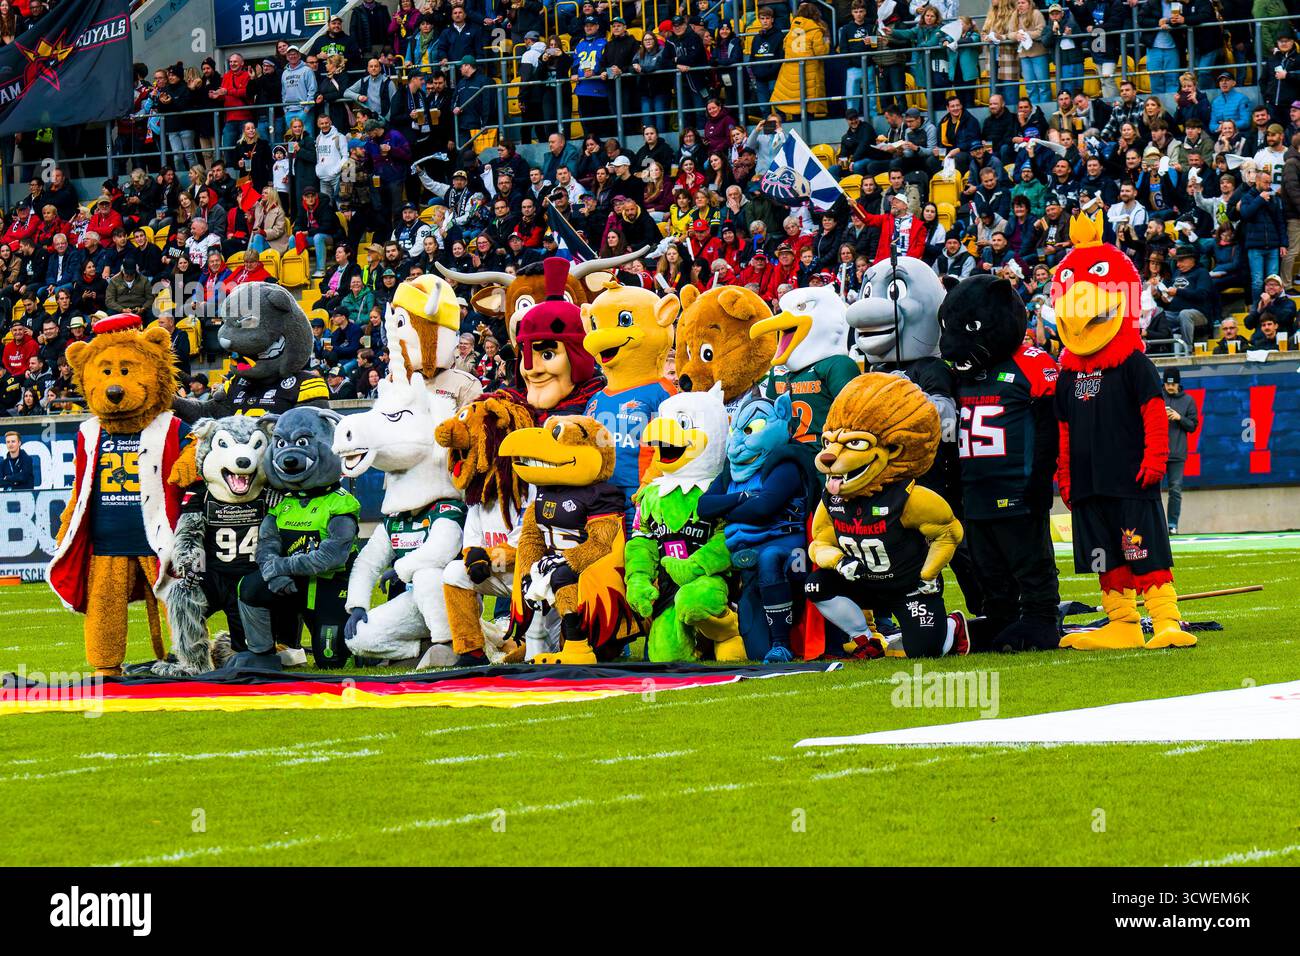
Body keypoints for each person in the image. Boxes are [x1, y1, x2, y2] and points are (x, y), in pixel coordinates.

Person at [1160, 368, 1197, 536]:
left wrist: (1179, 417)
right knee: (1152, 491)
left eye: (1173, 384)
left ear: (1178, 384)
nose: (1170, 387)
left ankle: (1172, 524)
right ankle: (1157, 525)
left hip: (1177, 452)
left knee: (1175, 489)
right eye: (1167, 384)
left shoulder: (1188, 400)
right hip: (1158, 452)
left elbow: (1193, 426)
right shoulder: (1157, 398)